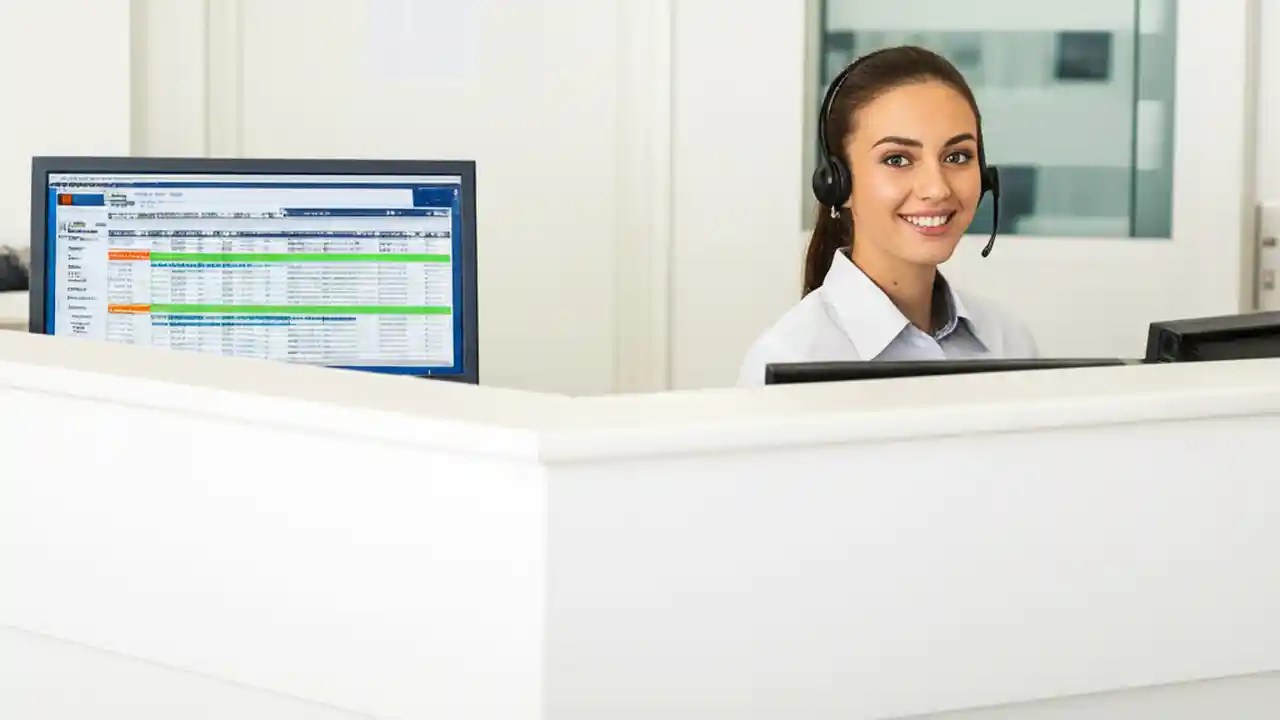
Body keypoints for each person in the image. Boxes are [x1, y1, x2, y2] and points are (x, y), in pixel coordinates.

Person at [738, 46, 1038, 387]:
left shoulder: (1009, 341)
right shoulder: (789, 358)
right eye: (897, 159)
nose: (937, 189)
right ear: (839, 184)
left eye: (956, 156)